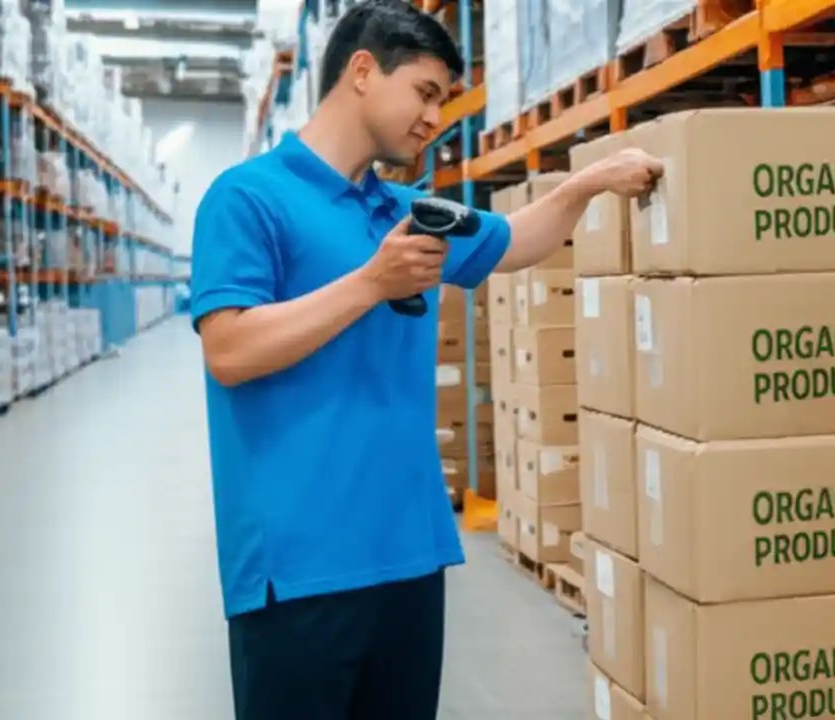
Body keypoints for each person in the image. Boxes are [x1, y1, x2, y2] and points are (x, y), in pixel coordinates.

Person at [188, 2, 663, 718]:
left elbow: (514, 239)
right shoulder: (249, 198)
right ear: (362, 71)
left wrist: (586, 184)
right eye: (426, 91)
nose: (435, 116)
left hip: (409, 555)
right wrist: (371, 284)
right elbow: (229, 350)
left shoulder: (406, 211)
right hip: (298, 570)